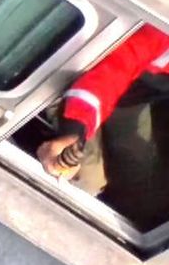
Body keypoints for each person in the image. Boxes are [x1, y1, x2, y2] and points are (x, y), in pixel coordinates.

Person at [39, 25, 169, 225]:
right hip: (76, 83)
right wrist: (73, 134)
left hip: (132, 101)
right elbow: (110, 74)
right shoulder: (161, 24)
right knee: (87, 181)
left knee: (140, 171)